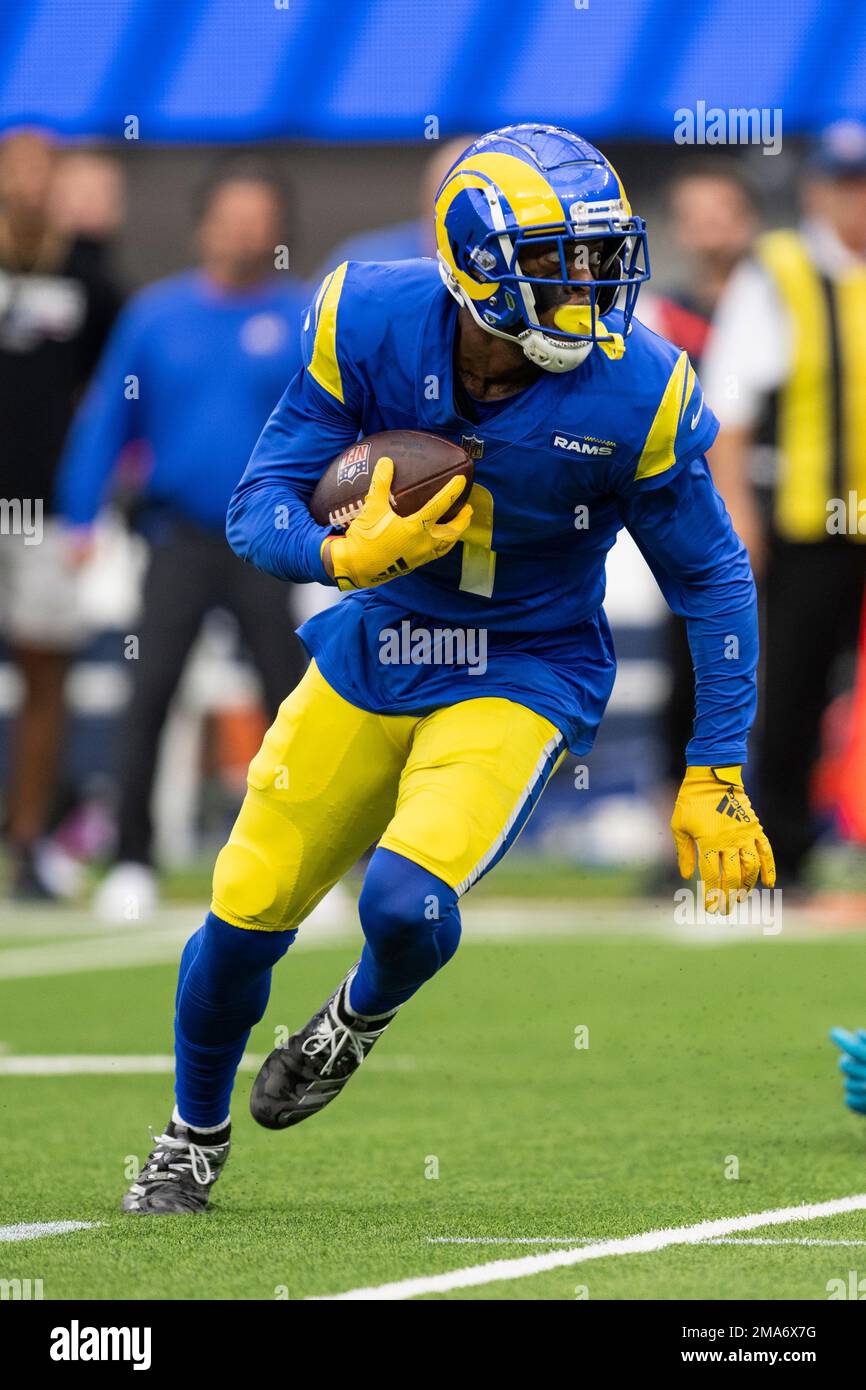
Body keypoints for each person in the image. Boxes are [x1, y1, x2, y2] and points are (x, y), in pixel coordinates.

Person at [121, 124, 775, 1216]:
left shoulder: (636, 388)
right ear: (476, 268)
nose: (592, 292)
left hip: (520, 666)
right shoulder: (366, 315)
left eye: (601, 259)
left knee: (404, 902)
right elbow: (258, 503)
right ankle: (190, 1135)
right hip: (379, 648)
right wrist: (339, 556)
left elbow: (711, 580)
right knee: (242, 908)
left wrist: (715, 767)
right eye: (559, 268)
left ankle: (353, 1020)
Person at [57, 163, 309, 920]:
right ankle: (132, 858)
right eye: (230, 214)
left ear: (278, 229)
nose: (243, 229)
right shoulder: (156, 317)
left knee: (293, 704)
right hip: (177, 536)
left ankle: (307, 863)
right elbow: (107, 422)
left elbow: (335, 427)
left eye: (258, 215)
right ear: (204, 224)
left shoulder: (303, 317)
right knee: (150, 693)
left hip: (269, 538)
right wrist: (78, 514)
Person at [702, 121, 866, 891]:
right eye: (846, 184)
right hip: (813, 522)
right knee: (794, 687)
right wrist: (738, 508)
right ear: (817, 190)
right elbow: (728, 402)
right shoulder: (781, 269)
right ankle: (784, 854)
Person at [0, 128, 122, 899]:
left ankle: (30, 841)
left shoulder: (89, 279)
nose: (30, 183)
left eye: (45, 170)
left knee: (47, 669)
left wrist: (90, 502)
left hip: (44, 510)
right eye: (17, 167)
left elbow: (111, 394)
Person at [639, 162, 761, 862]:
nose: (712, 226)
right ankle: (674, 838)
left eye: (724, 209)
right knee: (689, 674)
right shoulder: (661, 315)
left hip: (780, 510)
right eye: (697, 212)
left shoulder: (783, 301)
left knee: (771, 673)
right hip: (688, 520)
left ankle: (773, 821)